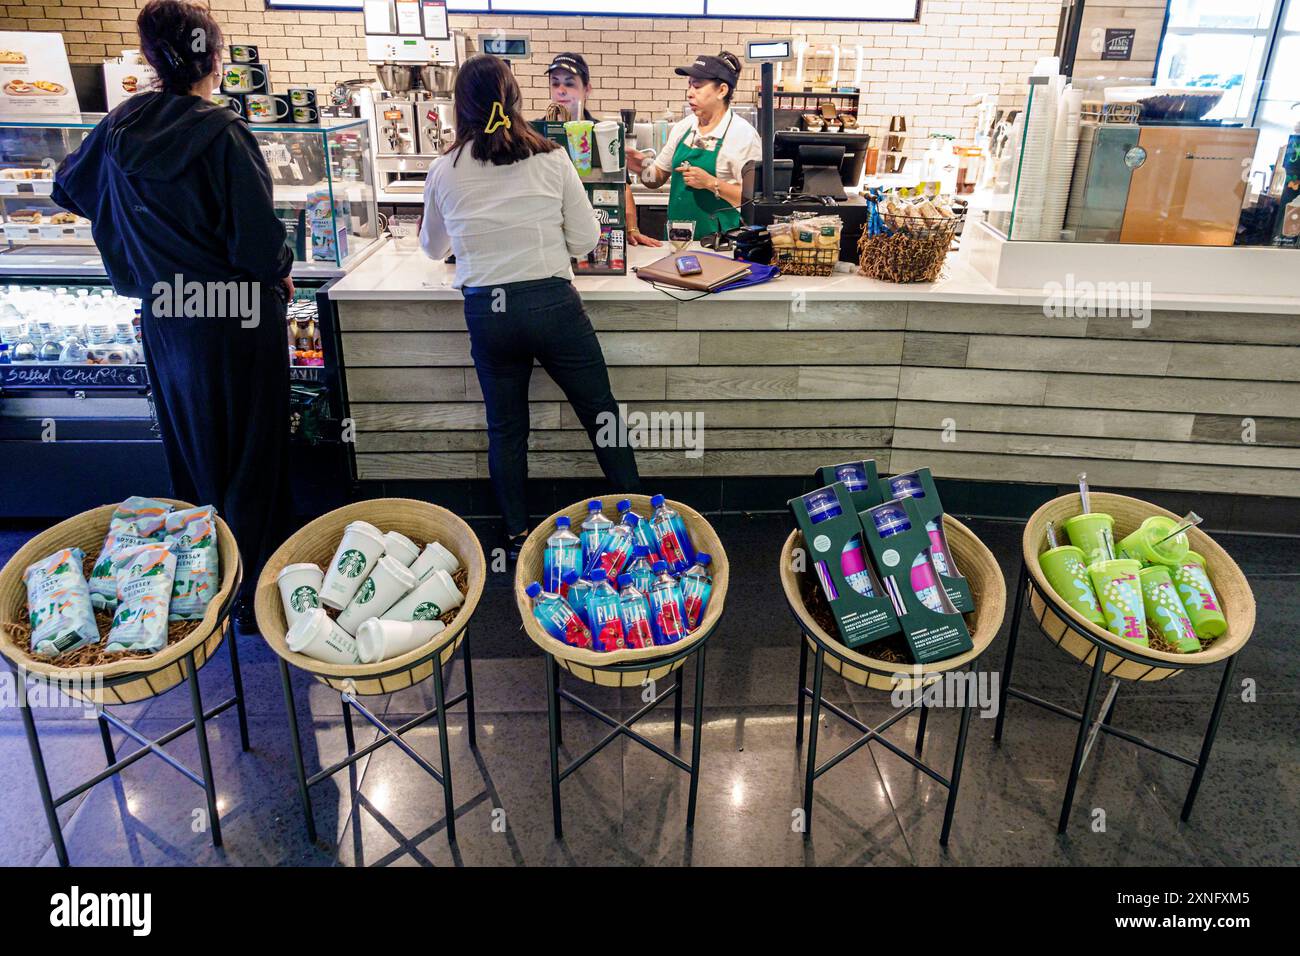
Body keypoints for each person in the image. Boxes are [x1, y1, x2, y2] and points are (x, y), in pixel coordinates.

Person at [53, 0, 294, 628]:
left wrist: (141, 238)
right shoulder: (223, 131)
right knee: (252, 456)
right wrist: (280, 263)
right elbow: (257, 246)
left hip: (168, 317)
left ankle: (196, 594)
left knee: (193, 457)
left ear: (153, 60)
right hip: (237, 317)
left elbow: (66, 188)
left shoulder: (118, 125)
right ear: (213, 60)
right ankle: (254, 600)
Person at [420, 55, 640, 559]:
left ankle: (517, 535)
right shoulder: (551, 155)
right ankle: (638, 518)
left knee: (507, 429)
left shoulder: (444, 168)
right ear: (515, 99)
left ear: (461, 107)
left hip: (488, 314)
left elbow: (433, 250)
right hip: (552, 305)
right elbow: (586, 241)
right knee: (601, 413)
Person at [627, 51, 762, 240]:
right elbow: (656, 178)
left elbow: (754, 200)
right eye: (689, 85)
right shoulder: (684, 127)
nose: (689, 93)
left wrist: (710, 183)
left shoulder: (742, 135)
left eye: (697, 86)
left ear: (722, 90)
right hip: (676, 240)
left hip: (721, 244)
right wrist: (642, 168)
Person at [542, 52, 660, 248]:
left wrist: (632, 229)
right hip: (550, 237)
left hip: (598, 234)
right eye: (555, 83)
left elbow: (622, 185)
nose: (560, 90)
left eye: (569, 83)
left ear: (587, 89)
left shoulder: (604, 133)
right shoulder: (535, 134)